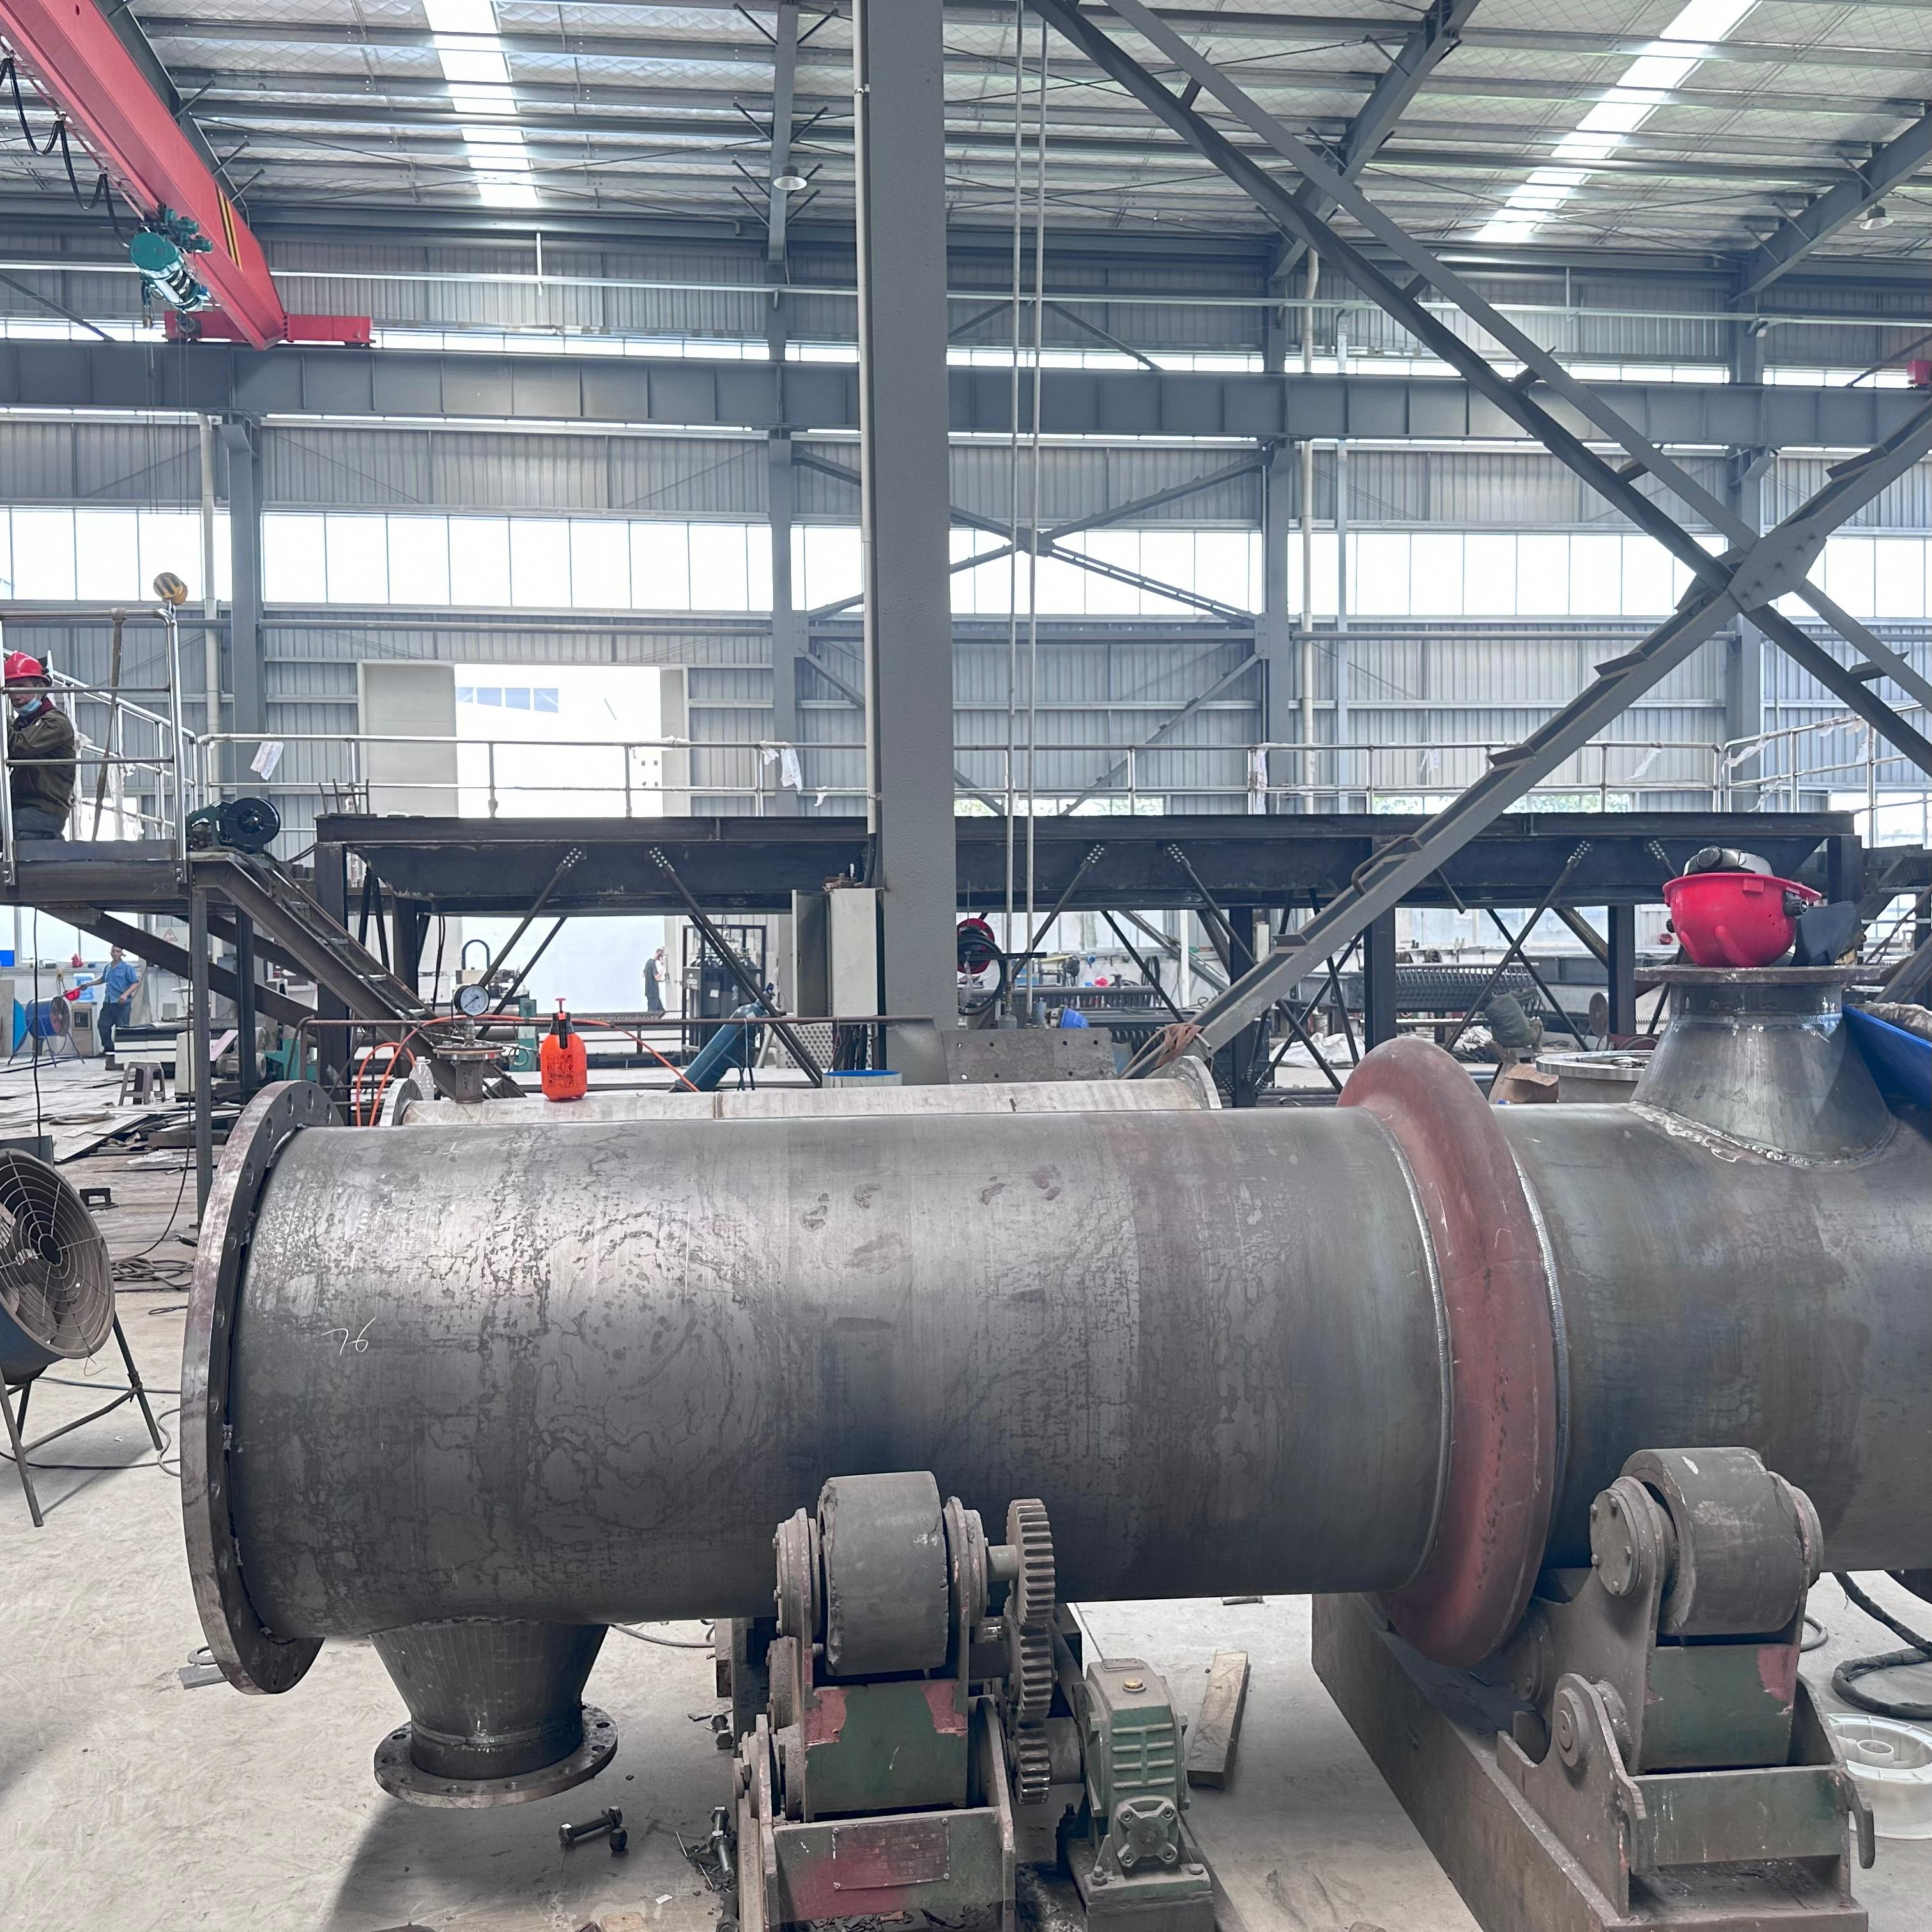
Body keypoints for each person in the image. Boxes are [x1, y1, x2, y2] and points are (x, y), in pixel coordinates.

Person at [4, 653, 75, 841]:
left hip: (46, 809)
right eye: (9, 688)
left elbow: (19, 746)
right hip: (20, 805)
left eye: (21, 687)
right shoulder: (22, 724)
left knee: (11, 827)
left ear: (40, 687)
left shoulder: (56, 723)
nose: (15, 695)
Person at [99, 945, 140, 1062]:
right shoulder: (108, 968)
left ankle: (122, 1053)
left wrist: (125, 994)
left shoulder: (127, 968)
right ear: (110, 953)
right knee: (103, 1025)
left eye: (118, 951)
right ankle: (109, 1049)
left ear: (122, 954)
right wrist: (87, 985)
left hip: (122, 1004)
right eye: (113, 951)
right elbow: (102, 979)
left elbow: (135, 983)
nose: (115, 953)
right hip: (109, 1002)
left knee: (122, 1029)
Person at [644, 946, 666, 1015]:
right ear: (660, 955)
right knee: (652, 1013)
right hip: (653, 992)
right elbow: (657, 977)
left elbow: (645, 974)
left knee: (661, 1012)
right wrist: (663, 966)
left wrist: (660, 980)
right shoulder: (652, 964)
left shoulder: (648, 963)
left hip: (650, 991)